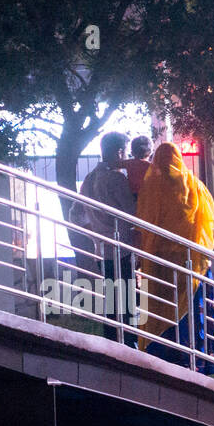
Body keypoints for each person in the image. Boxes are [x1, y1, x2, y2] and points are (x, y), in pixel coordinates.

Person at [135, 142, 214, 370]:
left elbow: (143, 227)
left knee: (160, 310)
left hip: (161, 263)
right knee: (192, 309)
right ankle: (196, 361)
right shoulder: (194, 186)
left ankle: (161, 357)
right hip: (193, 264)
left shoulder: (151, 187)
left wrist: (141, 261)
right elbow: (209, 226)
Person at [74, 132, 138, 346]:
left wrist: (94, 230)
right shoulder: (117, 179)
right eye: (126, 152)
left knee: (111, 304)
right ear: (119, 151)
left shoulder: (90, 178)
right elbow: (132, 213)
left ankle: (111, 347)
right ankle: (130, 349)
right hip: (123, 249)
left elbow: (75, 214)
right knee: (128, 304)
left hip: (101, 249)